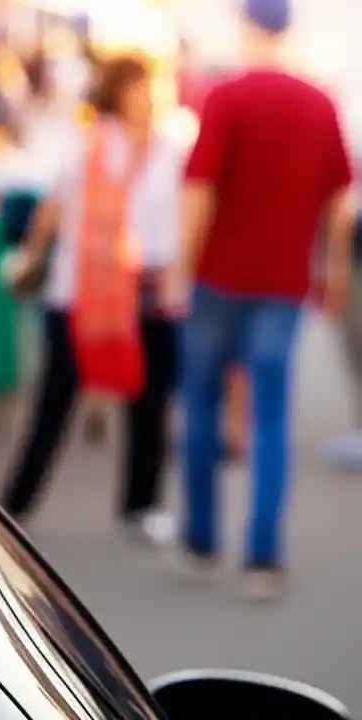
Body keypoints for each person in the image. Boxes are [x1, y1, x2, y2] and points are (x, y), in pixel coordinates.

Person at [177, 0, 355, 601]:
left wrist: (180, 266)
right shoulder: (320, 101)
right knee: (271, 416)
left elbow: (199, 190)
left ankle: (202, 538)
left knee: (201, 403)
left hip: (218, 278)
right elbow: (338, 200)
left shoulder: (226, 96)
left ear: (247, 27)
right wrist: (332, 270)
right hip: (282, 284)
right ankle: (263, 556)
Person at [2, 56, 183, 545]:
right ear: (117, 91)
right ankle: (13, 505)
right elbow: (53, 208)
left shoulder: (169, 148)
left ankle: (141, 504)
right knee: (55, 402)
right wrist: (31, 257)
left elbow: (179, 215)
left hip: (146, 292)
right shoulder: (88, 144)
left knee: (149, 402)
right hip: (83, 293)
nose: (147, 97)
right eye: (139, 87)